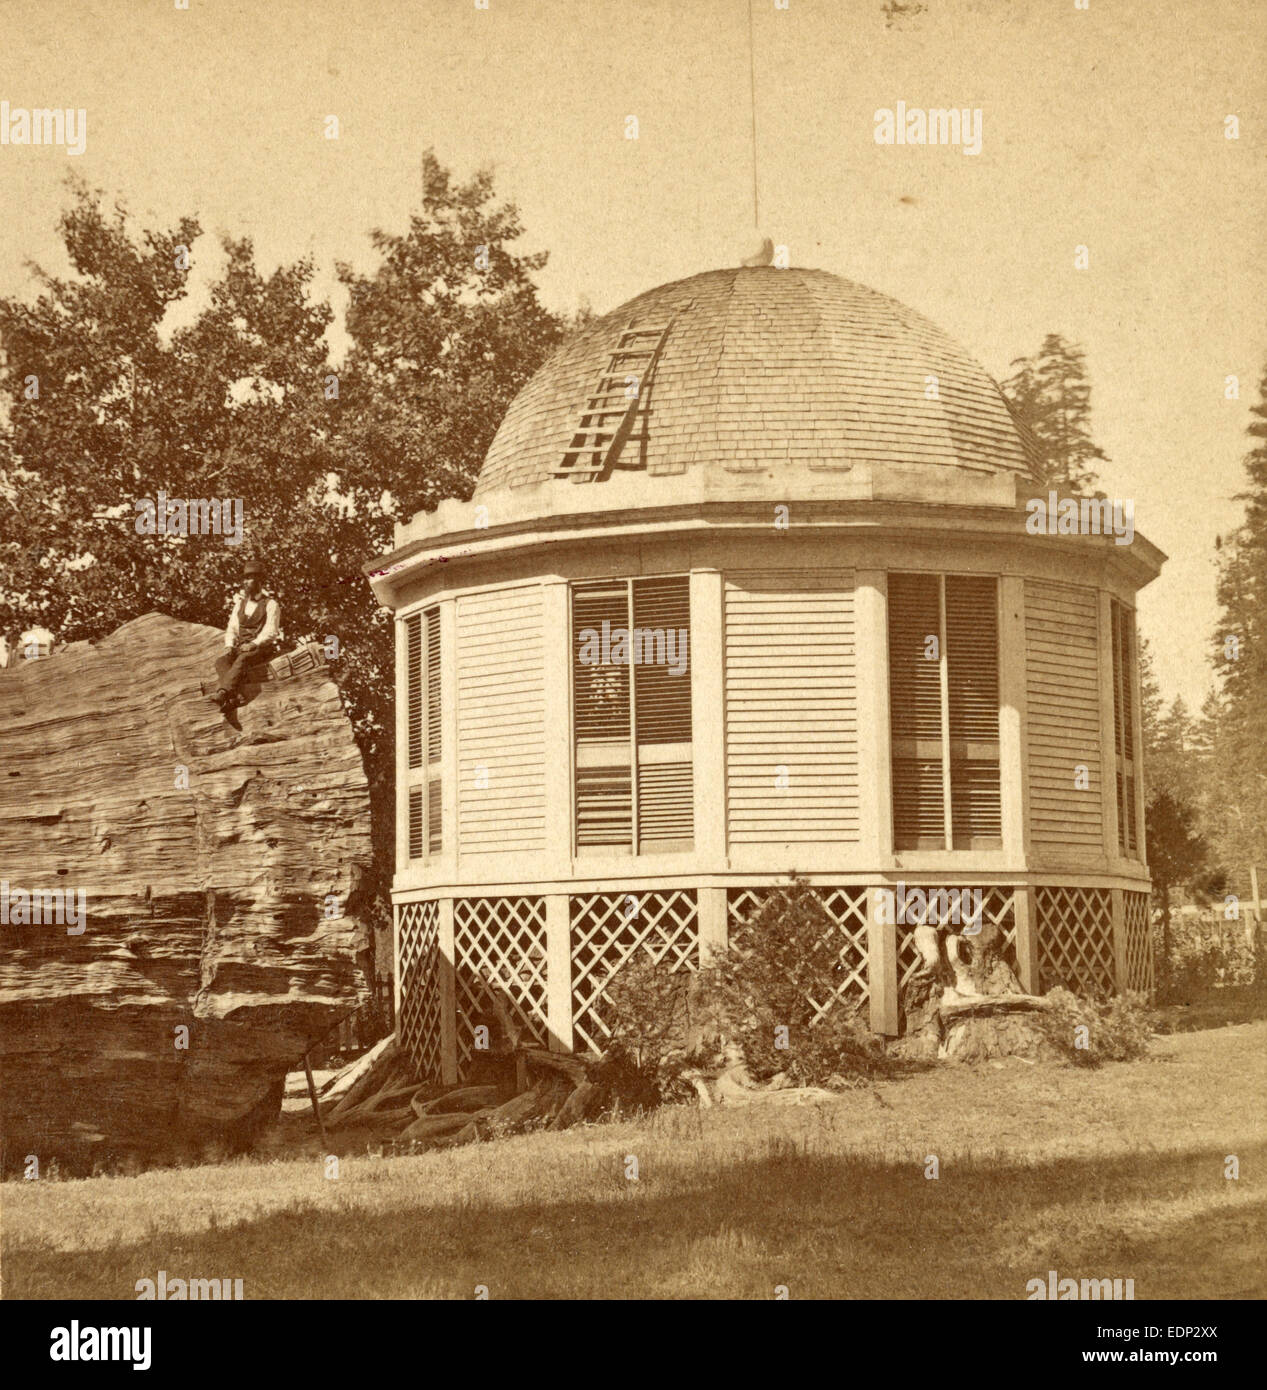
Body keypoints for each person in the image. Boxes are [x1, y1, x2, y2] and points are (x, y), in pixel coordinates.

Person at [209, 560, 283, 714]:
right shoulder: (239, 604)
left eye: (250, 578)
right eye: (245, 578)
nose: (246, 582)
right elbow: (232, 628)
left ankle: (223, 692)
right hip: (242, 647)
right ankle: (235, 697)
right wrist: (229, 645)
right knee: (221, 661)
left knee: (242, 659)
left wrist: (254, 644)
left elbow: (271, 631)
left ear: (259, 581)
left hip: (261, 649)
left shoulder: (270, 604)